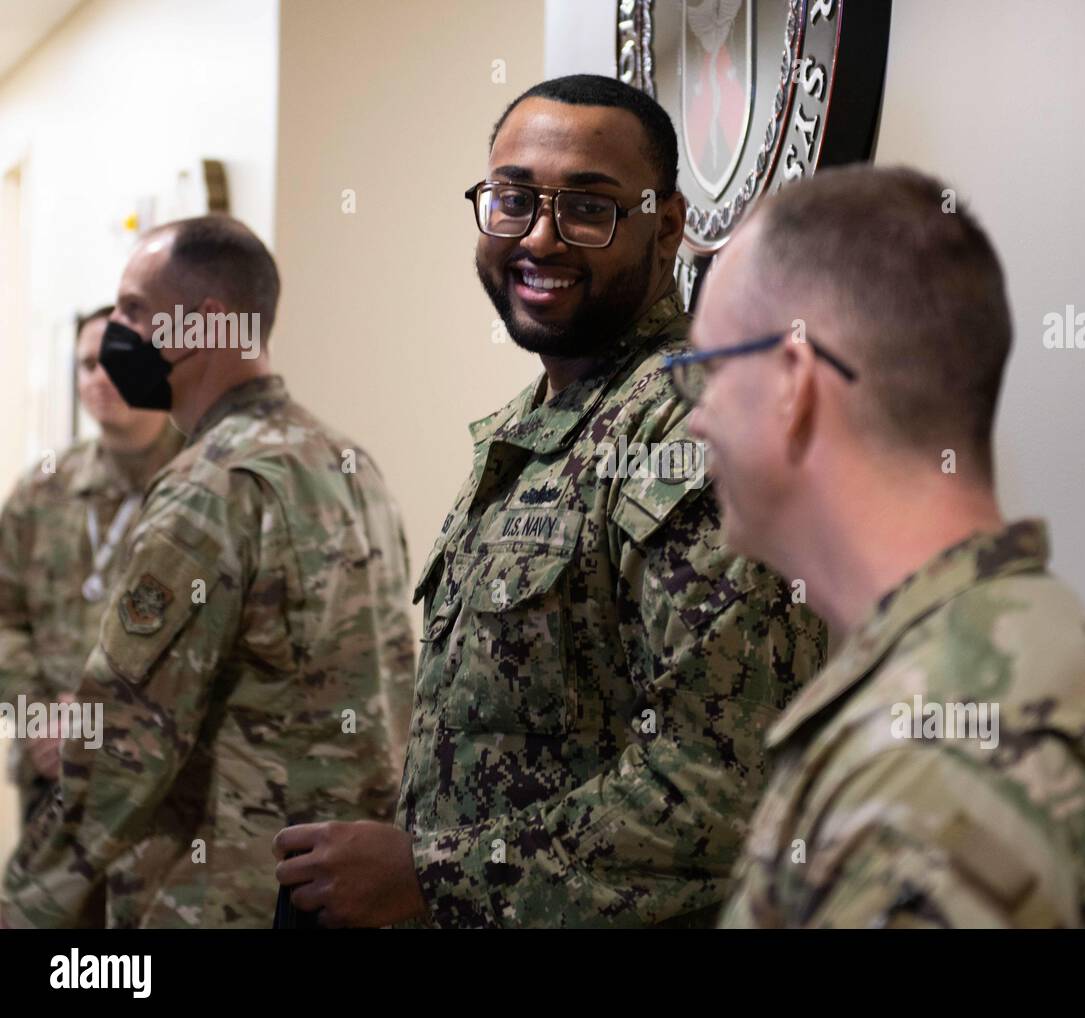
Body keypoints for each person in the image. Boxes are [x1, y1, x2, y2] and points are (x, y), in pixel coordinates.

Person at [272, 74, 826, 928]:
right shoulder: (538, 427)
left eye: (589, 209)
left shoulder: (695, 426)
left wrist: (434, 878)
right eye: (512, 199)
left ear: (668, 226)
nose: (540, 238)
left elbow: (729, 789)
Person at [674, 164, 1085, 928]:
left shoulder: (926, 770)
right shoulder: (999, 641)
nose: (696, 419)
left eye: (708, 370)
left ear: (795, 381)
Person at [1, 215, 414, 928]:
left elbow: (126, 736)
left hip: (222, 892)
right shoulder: (346, 461)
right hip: (347, 886)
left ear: (207, 324)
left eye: (134, 309)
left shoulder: (210, 484)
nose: (118, 332)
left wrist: (26, 904)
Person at [0, 306, 184, 924]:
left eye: (116, 359)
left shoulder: (203, 484)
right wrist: (36, 719)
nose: (99, 376)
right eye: (85, 364)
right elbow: (4, 618)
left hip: (166, 791)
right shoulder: (42, 491)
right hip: (54, 778)